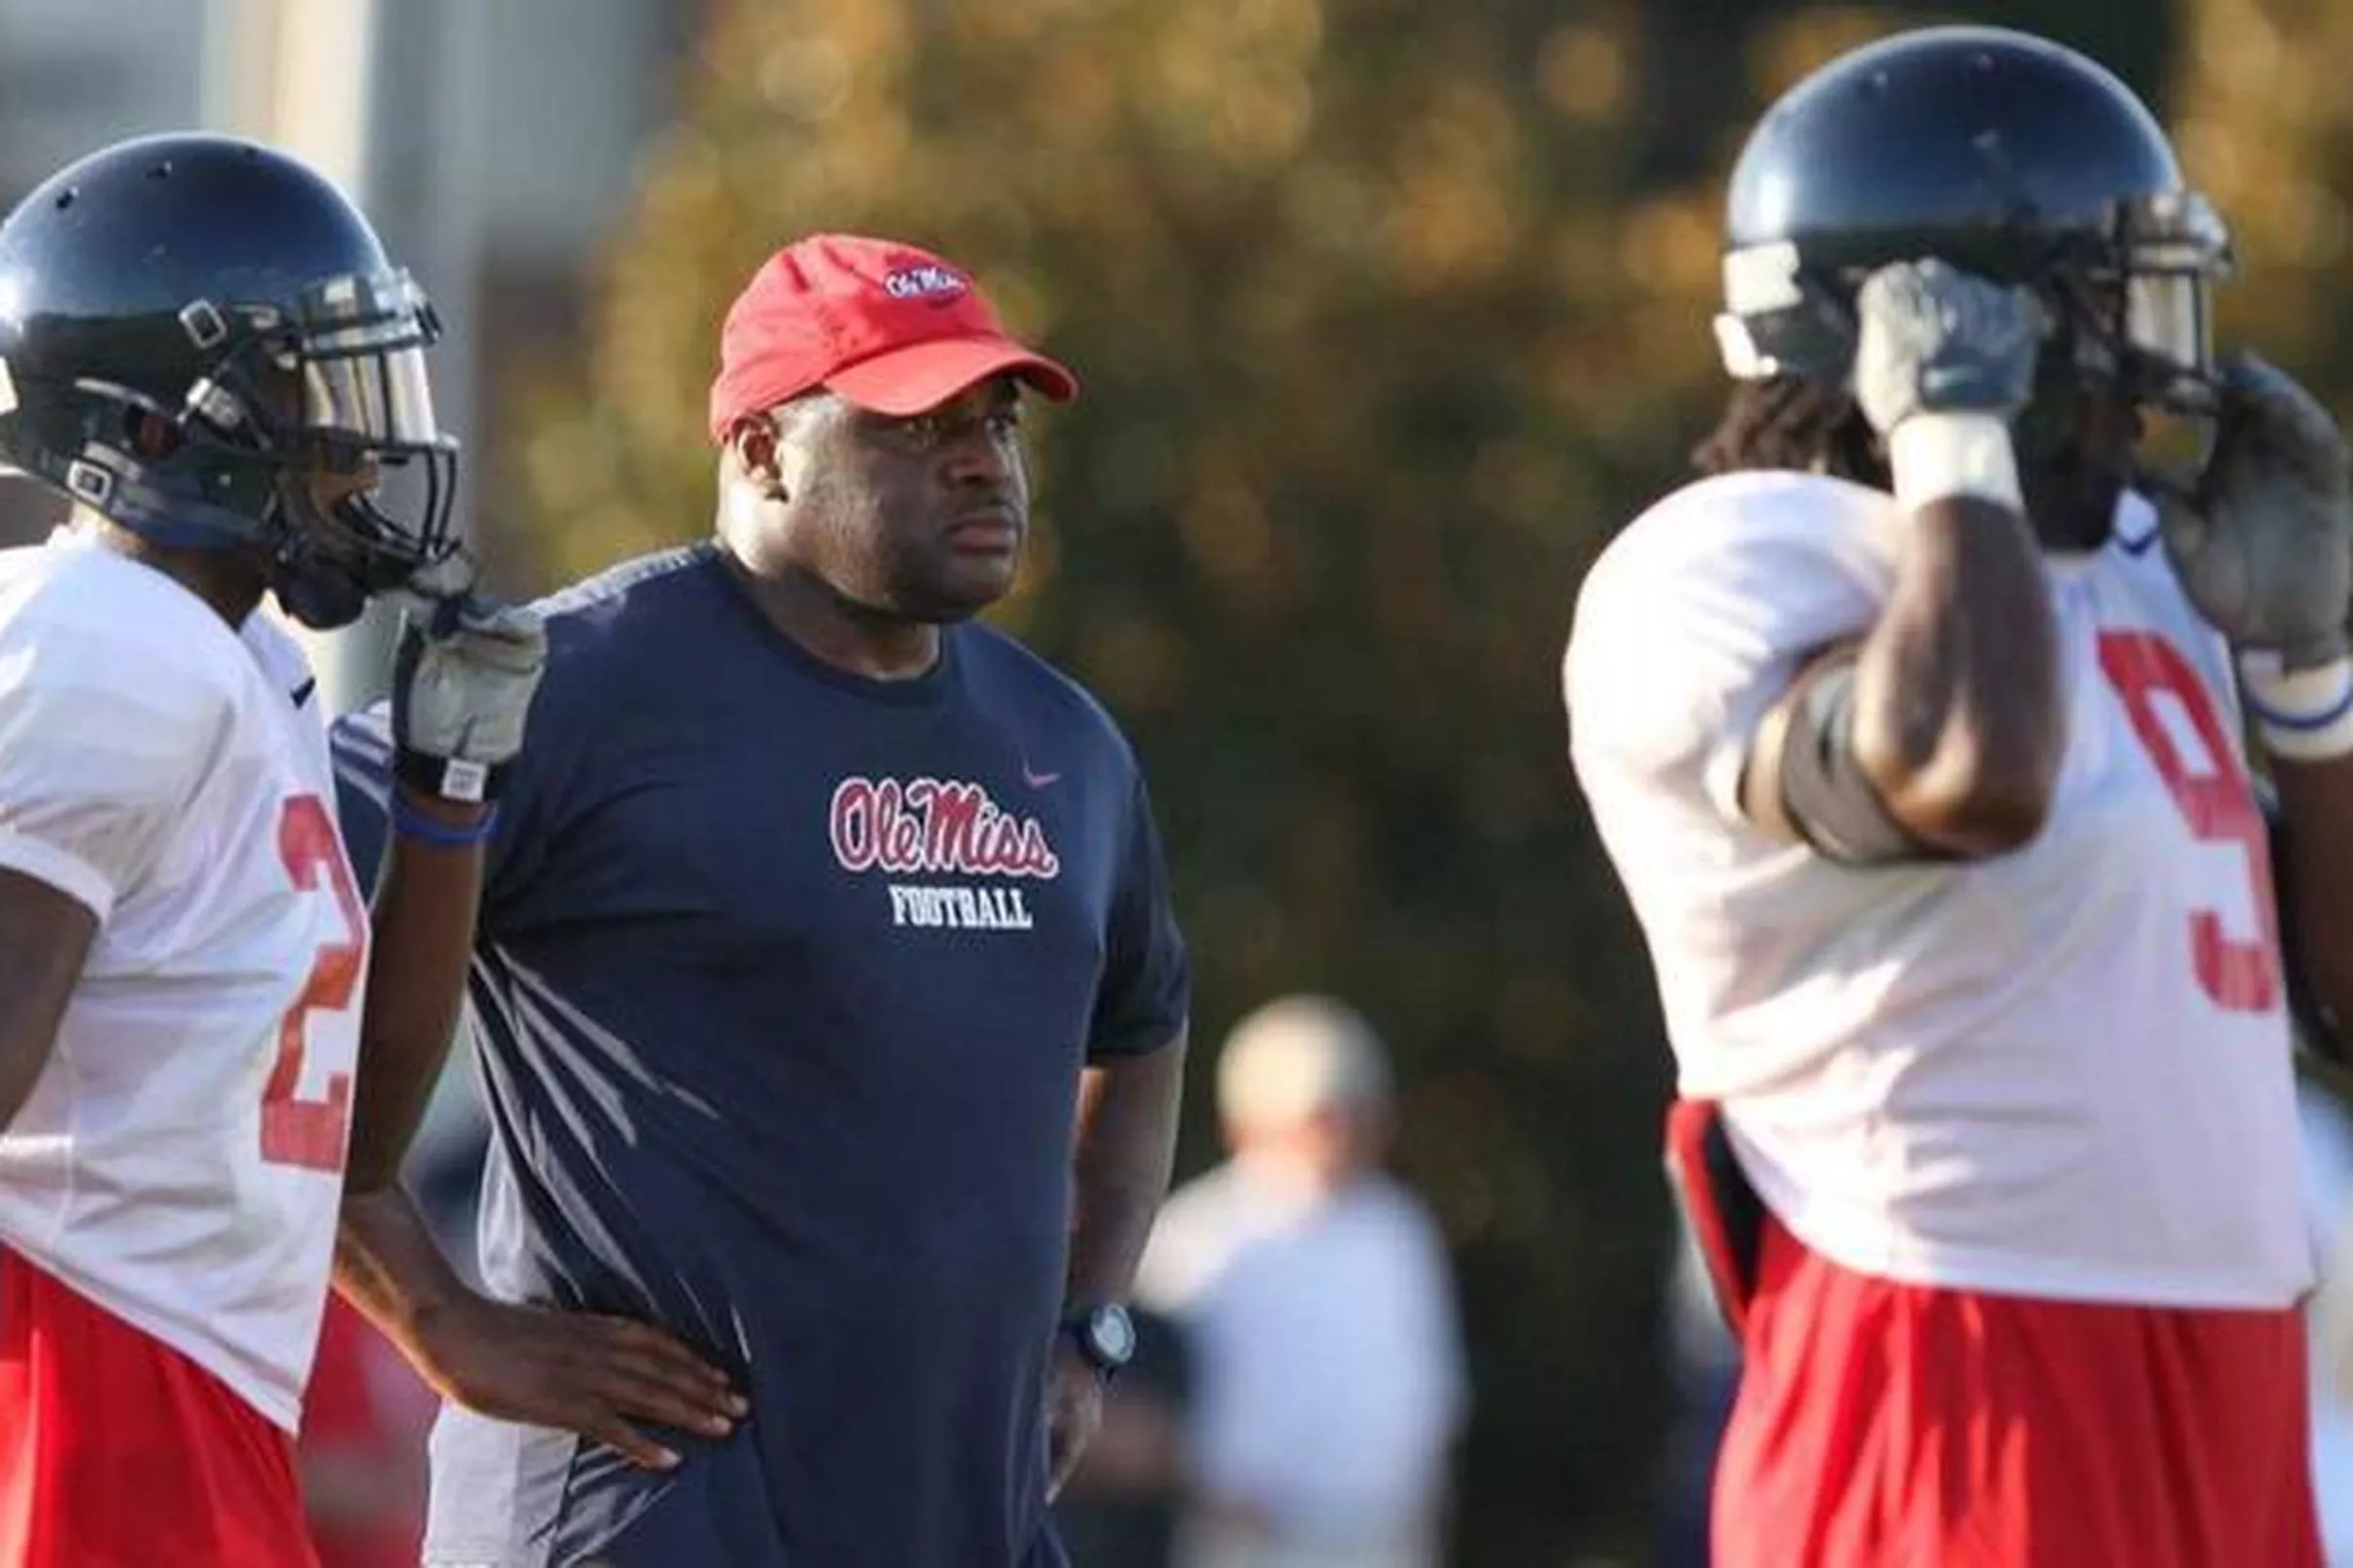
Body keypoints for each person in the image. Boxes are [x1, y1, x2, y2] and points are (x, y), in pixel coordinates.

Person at [1564, 24, 2353, 1567]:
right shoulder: (1729, 554)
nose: (2152, 366)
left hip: (2233, 1361)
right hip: (1951, 1343)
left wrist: (2314, 680)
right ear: (1940, 321)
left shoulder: (2127, 557)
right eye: (2108, 309)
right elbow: (1968, 776)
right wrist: (1952, 445)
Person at [330, 231, 1192, 1568]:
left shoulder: (1064, 744)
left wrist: (1091, 1323)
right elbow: (251, 940)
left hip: (961, 1521)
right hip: (644, 1516)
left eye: (996, 418)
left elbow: (1142, 1029)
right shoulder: (572, 688)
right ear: (762, 452)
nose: (982, 459)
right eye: (916, 424)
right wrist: (436, 1316)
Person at [0, 132, 544, 1567]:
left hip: (199, 1376)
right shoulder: (103, 643)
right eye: (312, 388)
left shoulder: (239, 660)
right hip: (83, 1357)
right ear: (159, 427)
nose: (361, 447)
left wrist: (445, 805)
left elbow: (355, 1143)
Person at [1136, 995, 1467, 1568]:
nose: (1342, 1134)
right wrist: (1203, 1486)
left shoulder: (1397, 1231)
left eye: (1355, 1112)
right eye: (1322, 1116)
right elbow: (1134, 1409)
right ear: (1251, 1121)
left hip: (1382, 1544)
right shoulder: (1197, 1238)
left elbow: (1431, 1396)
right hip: (1248, 1547)